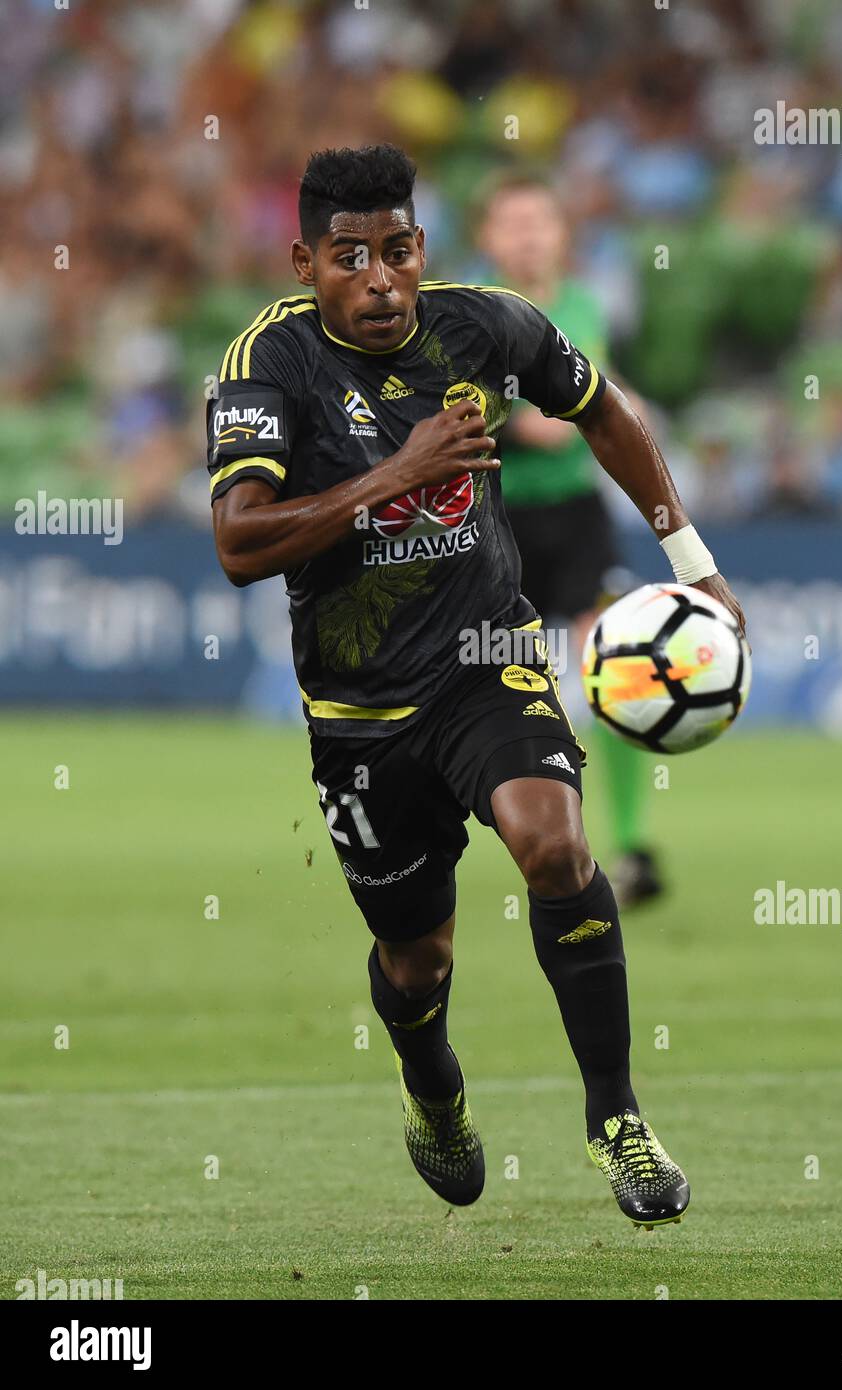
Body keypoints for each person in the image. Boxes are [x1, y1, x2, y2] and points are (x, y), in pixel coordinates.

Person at [207, 144, 745, 1228]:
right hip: (358, 712)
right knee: (416, 958)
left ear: (421, 249)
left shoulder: (486, 324)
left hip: (484, 665)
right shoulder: (266, 363)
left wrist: (692, 561)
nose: (380, 281)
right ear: (305, 259)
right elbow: (239, 540)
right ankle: (434, 1088)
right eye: (350, 258)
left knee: (553, 844)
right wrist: (401, 472)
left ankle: (616, 1119)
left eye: (398, 252)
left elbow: (601, 406)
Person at [474, 169, 664, 905]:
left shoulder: (582, 304)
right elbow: (557, 416)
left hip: (578, 516)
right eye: (511, 222)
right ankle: (535, 842)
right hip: (496, 517)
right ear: (488, 238)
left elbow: (583, 401)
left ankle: (633, 848)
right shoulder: (475, 311)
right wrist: (589, 410)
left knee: (613, 668)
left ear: (561, 234)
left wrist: (596, 404)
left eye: (538, 221)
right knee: (496, 686)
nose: (526, 235)